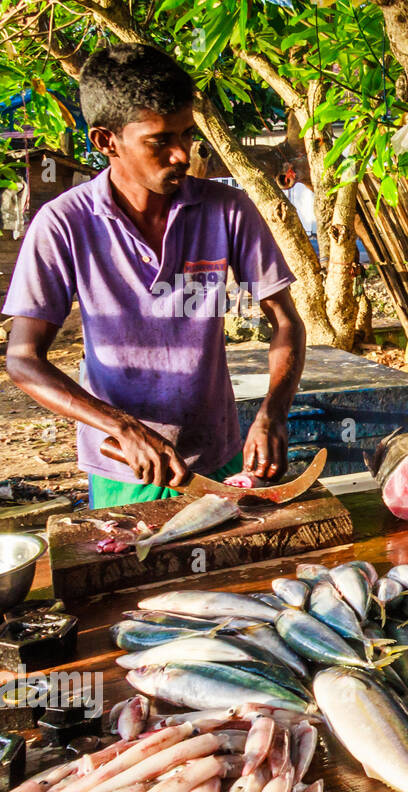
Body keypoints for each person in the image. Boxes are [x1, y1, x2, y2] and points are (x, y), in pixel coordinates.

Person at [3, 44, 305, 507]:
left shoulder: (226, 211)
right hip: (126, 464)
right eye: (159, 141)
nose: (182, 155)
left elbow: (285, 321)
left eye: (186, 134)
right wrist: (121, 427)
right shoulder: (64, 224)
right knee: (138, 566)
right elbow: (23, 359)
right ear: (106, 141)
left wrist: (273, 412)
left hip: (220, 454)